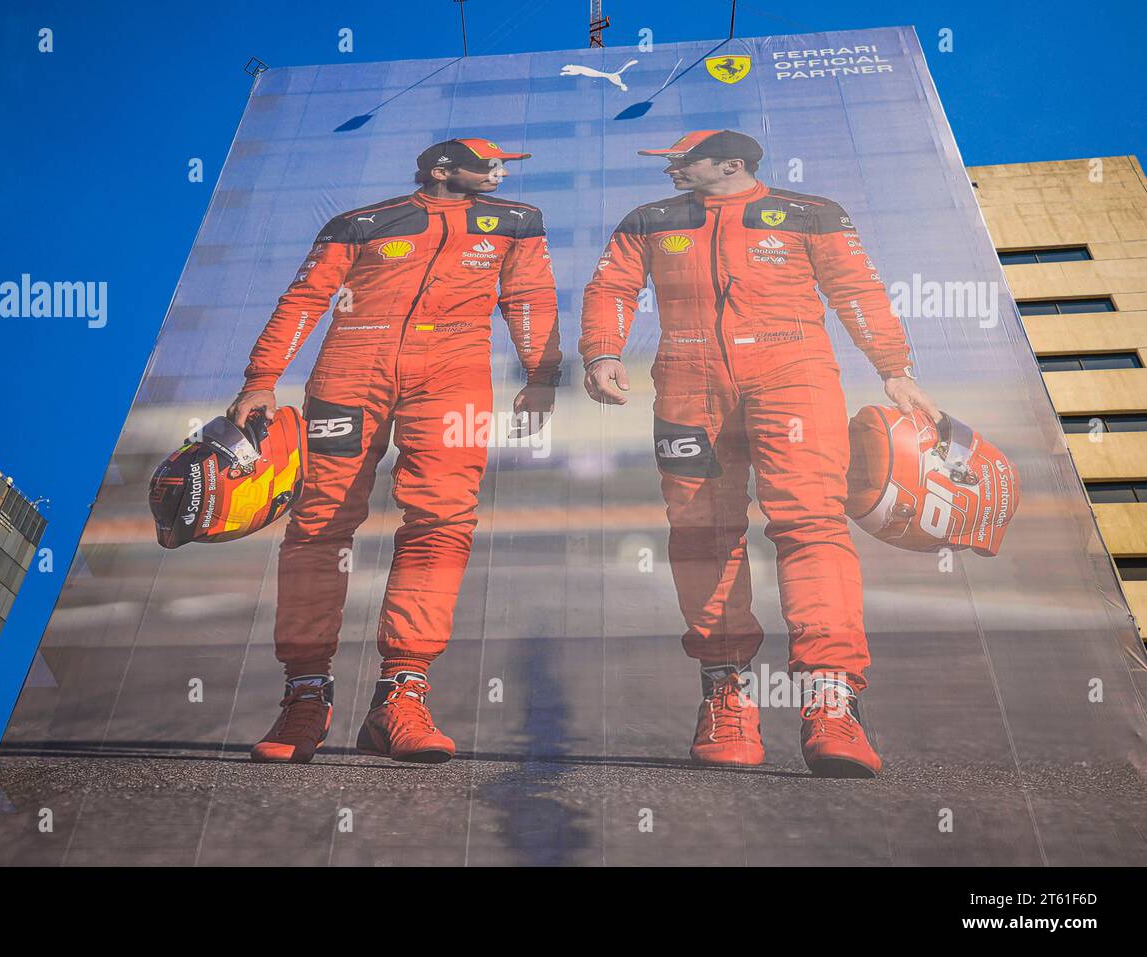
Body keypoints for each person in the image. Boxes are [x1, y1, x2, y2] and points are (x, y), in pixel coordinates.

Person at [579, 130, 939, 777]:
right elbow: (610, 288)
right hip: (686, 385)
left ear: (731, 163)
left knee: (811, 522)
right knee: (699, 532)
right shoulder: (648, 221)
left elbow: (856, 288)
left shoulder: (811, 212)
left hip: (794, 374)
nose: (671, 169)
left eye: (682, 160)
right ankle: (725, 692)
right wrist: (603, 350)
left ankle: (831, 698)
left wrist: (894, 365)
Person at [230, 138, 561, 764]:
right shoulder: (358, 224)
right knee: (320, 523)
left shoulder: (518, 223)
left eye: (500, 167)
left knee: (442, 519)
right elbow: (305, 301)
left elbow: (529, 299)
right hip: (350, 367)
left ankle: (402, 693)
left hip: (455, 372)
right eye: (485, 164)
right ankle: (305, 695)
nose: (496, 173)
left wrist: (541, 376)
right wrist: (261, 378)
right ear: (441, 169)